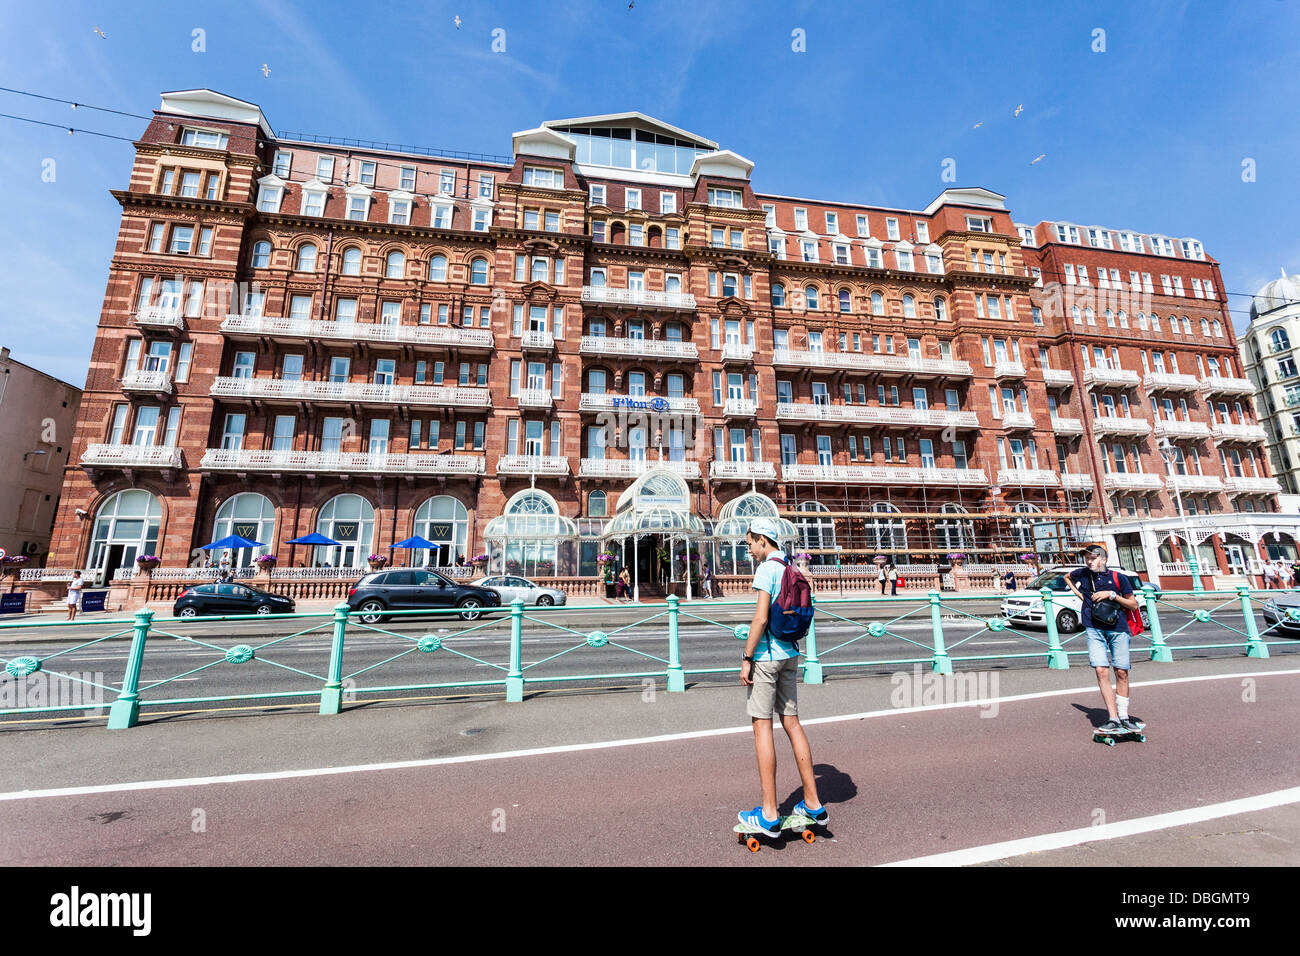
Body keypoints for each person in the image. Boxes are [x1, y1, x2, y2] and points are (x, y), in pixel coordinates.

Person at [737, 517, 826, 836]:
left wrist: (747, 657)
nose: (749, 550)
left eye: (750, 543)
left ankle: (769, 813)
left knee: (762, 728)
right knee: (792, 722)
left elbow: (760, 619)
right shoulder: (791, 566)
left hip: (766, 657)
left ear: (763, 540)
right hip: (791, 653)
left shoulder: (766, 570)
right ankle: (814, 803)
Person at [1065, 545, 1144, 736]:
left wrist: (1112, 595)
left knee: (1121, 672)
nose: (1089, 561)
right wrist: (1081, 595)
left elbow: (1133, 604)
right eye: (1087, 558)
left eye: (1093, 558)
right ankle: (1113, 718)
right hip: (1094, 627)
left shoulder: (1119, 578)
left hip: (1117, 628)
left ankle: (1124, 716)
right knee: (1101, 671)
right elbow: (1067, 577)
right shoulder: (1082, 574)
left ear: (1104, 559)